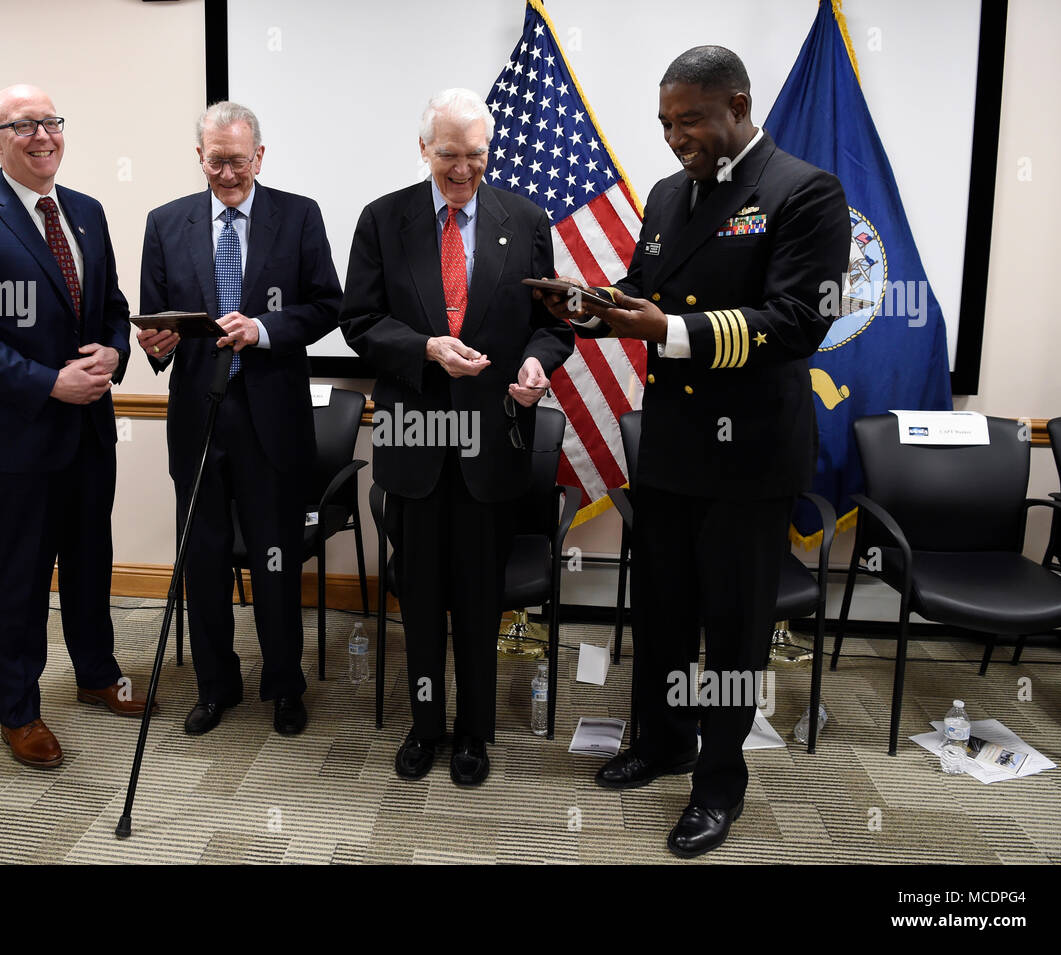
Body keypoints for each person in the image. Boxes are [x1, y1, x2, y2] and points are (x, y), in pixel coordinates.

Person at [539, 46, 850, 856]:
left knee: (734, 630)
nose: (678, 138)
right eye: (667, 124)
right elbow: (651, 289)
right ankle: (664, 740)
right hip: (673, 446)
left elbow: (795, 323)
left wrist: (668, 331)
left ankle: (719, 784)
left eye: (692, 120)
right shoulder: (669, 195)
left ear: (738, 105)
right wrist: (595, 309)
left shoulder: (804, 191)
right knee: (664, 611)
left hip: (749, 456)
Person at [341, 89, 574, 787]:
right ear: (424, 150)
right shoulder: (384, 220)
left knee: (478, 600)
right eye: (450, 155)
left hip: (491, 447)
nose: (464, 168)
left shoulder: (526, 219)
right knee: (418, 598)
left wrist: (538, 361)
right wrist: (425, 349)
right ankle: (425, 726)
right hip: (414, 442)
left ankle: (474, 732)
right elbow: (360, 321)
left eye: (476, 154)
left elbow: (552, 324)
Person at [0, 84, 147, 770]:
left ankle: (95, 673)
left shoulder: (85, 211)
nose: (43, 134)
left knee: (90, 557)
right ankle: (19, 711)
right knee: (23, 573)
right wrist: (48, 381)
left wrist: (115, 348)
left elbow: (112, 305)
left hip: (91, 427)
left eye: (51, 121)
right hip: (20, 432)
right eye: (24, 125)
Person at [137, 102, 342, 738]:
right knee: (202, 558)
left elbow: (329, 305)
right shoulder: (165, 223)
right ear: (199, 157)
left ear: (260, 156)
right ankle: (215, 686)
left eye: (239, 160)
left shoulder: (298, 215)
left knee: (274, 558)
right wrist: (155, 345)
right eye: (216, 160)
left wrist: (264, 328)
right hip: (198, 418)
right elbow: (154, 318)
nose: (228, 173)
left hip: (272, 419)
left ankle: (283, 685)